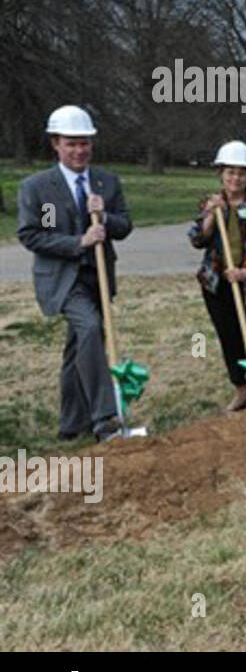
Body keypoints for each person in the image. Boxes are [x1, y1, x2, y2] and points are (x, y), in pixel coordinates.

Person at [16, 105, 132, 442]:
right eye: (71, 143)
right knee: (91, 329)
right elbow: (36, 234)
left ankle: (70, 424)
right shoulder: (40, 189)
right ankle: (105, 417)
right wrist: (79, 241)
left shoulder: (106, 182)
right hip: (64, 280)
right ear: (55, 143)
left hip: (99, 276)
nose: (79, 150)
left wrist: (106, 218)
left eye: (85, 143)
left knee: (79, 346)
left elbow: (125, 225)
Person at [188, 141, 246, 412]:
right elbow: (197, 240)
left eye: (241, 173)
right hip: (217, 283)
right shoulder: (209, 204)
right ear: (221, 174)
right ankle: (241, 389)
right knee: (229, 336)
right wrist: (210, 218)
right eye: (229, 173)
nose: (235, 178)